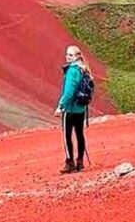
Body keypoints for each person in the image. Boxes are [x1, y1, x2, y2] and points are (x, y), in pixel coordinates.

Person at [54, 44, 89, 173]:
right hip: (81, 109)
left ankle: (70, 163)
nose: (67, 57)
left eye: (70, 55)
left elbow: (69, 92)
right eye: (67, 54)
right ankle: (80, 161)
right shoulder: (83, 69)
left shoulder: (72, 71)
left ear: (77, 56)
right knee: (80, 134)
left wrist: (60, 106)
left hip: (70, 109)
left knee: (67, 136)